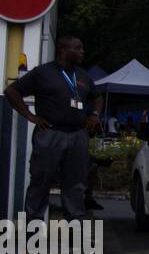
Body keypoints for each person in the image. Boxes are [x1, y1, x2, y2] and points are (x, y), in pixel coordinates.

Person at [3, 36, 103, 223]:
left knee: (75, 184)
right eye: (78, 48)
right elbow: (11, 92)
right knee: (41, 181)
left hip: (77, 135)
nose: (82, 52)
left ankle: (74, 229)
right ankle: (33, 229)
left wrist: (95, 115)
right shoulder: (43, 73)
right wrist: (30, 116)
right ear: (64, 50)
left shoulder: (82, 75)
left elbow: (97, 97)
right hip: (50, 133)